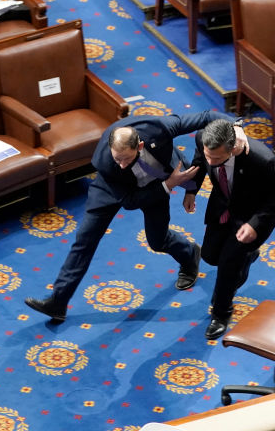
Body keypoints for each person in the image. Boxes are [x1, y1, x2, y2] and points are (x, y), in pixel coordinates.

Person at [25, 111, 244, 322]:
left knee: (157, 241)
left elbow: (205, 117)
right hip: (114, 189)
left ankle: (189, 254)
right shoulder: (107, 162)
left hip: (156, 183)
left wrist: (235, 127)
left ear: (139, 146)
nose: (121, 163)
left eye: (125, 158)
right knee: (85, 240)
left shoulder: (159, 128)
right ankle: (58, 301)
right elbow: (129, 202)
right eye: (117, 158)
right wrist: (169, 185)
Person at [190, 118, 275, 340]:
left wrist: (255, 224)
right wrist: (191, 190)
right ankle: (248, 256)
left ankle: (221, 313)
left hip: (250, 216)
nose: (210, 161)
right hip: (222, 207)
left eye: (216, 158)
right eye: (208, 155)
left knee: (227, 267)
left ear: (233, 148)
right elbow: (199, 161)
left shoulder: (262, 159)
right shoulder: (203, 140)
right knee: (209, 256)